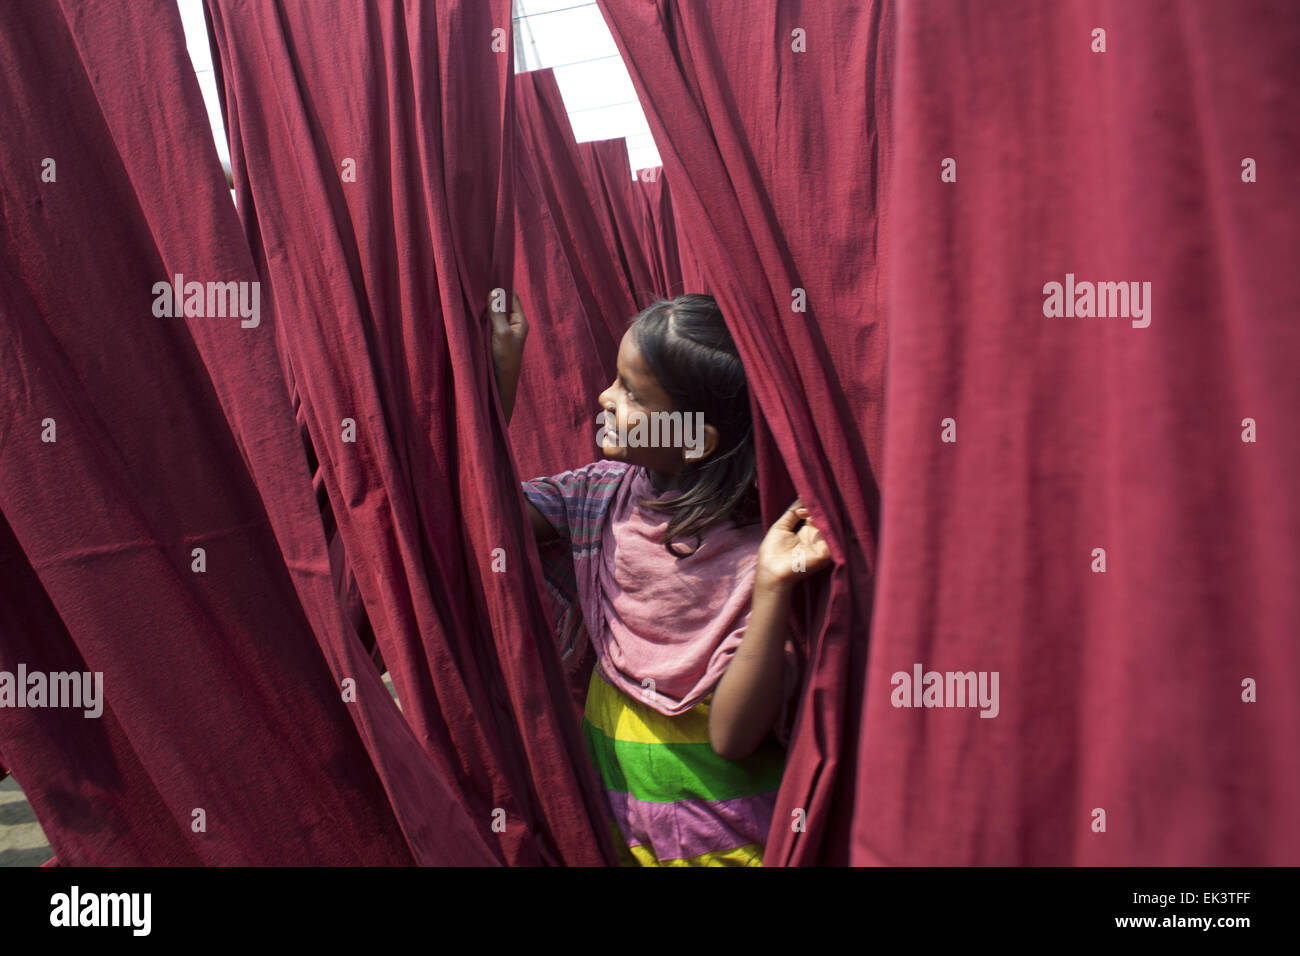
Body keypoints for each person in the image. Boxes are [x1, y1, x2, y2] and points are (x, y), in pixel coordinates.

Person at [489, 290, 831, 866]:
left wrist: (772, 589)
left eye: (630, 392)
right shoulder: (601, 497)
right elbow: (482, 512)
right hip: (621, 833)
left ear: (695, 439)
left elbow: (733, 736)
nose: (604, 397)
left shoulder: (762, 548)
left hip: (729, 846)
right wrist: (500, 382)